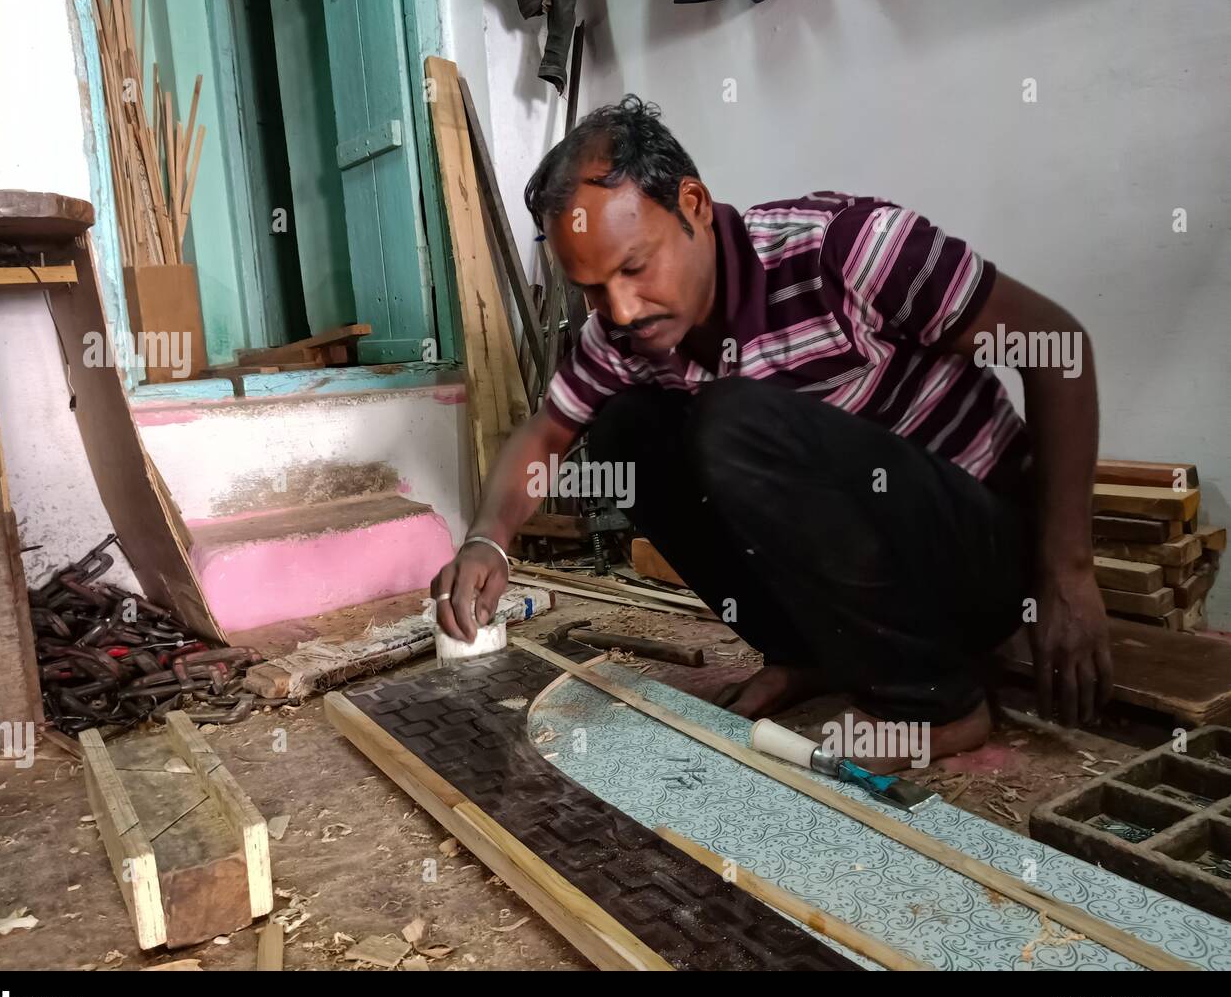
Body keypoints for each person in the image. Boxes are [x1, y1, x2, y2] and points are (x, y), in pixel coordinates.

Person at [430, 96, 1112, 768]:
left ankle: (937, 706)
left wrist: (1067, 571)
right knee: (622, 431)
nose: (622, 308)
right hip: (869, 588)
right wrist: (488, 536)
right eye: (594, 288)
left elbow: (1058, 347)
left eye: (635, 267)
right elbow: (547, 432)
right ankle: (806, 652)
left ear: (692, 204)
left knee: (733, 421)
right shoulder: (623, 330)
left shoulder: (848, 249)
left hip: (982, 554)